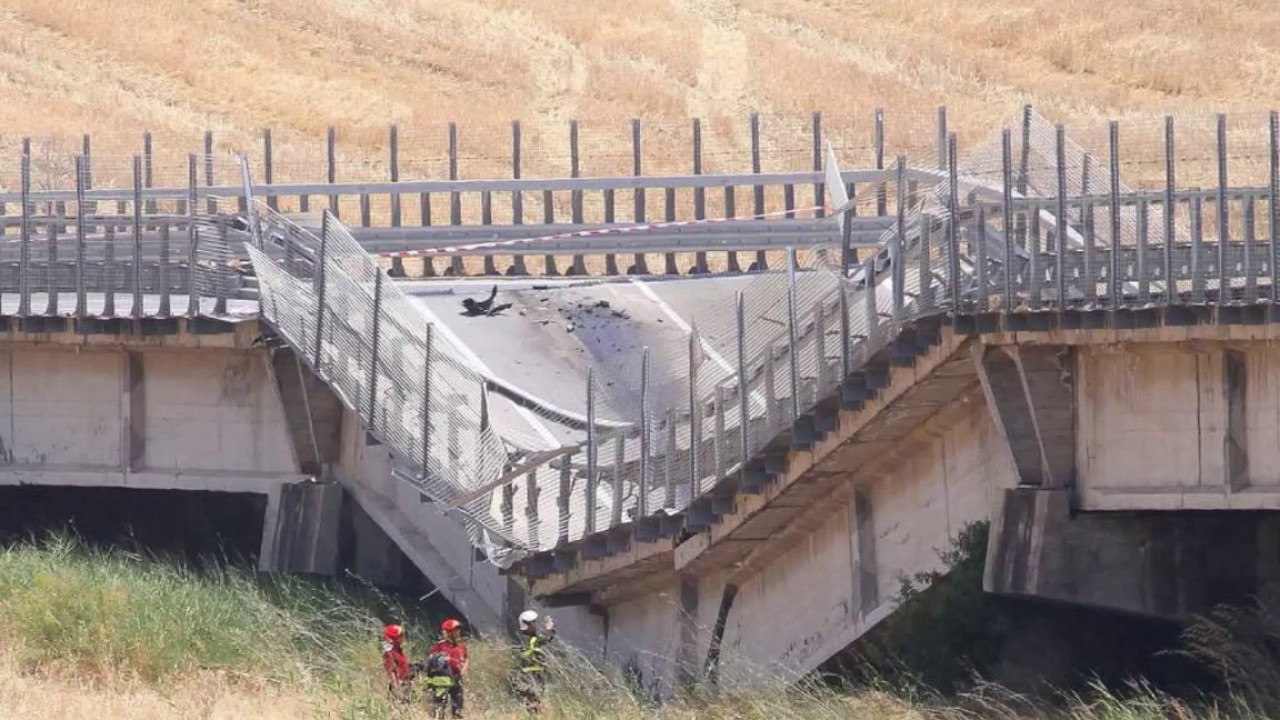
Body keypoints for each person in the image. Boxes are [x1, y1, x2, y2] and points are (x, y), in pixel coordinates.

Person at [511, 610, 556, 714]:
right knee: (533, 701)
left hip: (532, 673)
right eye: (533, 623)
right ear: (527, 624)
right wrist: (550, 629)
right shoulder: (530, 638)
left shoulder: (527, 636)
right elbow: (545, 639)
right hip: (530, 674)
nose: (536, 625)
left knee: (534, 701)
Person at [426, 618, 469, 718]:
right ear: (449, 632)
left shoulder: (461, 646)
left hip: (457, 679)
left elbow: (466, 658)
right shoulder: (440, 646)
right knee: (439, 707)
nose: (458, 631)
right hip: (443, 680)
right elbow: (432, 661)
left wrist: (464, 668)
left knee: (458, 708)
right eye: (456, 629)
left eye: (458, 629)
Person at [381, 624, 414, 703]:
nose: (403, 638)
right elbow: (391, 672)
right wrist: (397, 690)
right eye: (400, 636)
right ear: (393, 639)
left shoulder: (398, 650)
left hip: (405, 684)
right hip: (399, 685)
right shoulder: (389, 653)